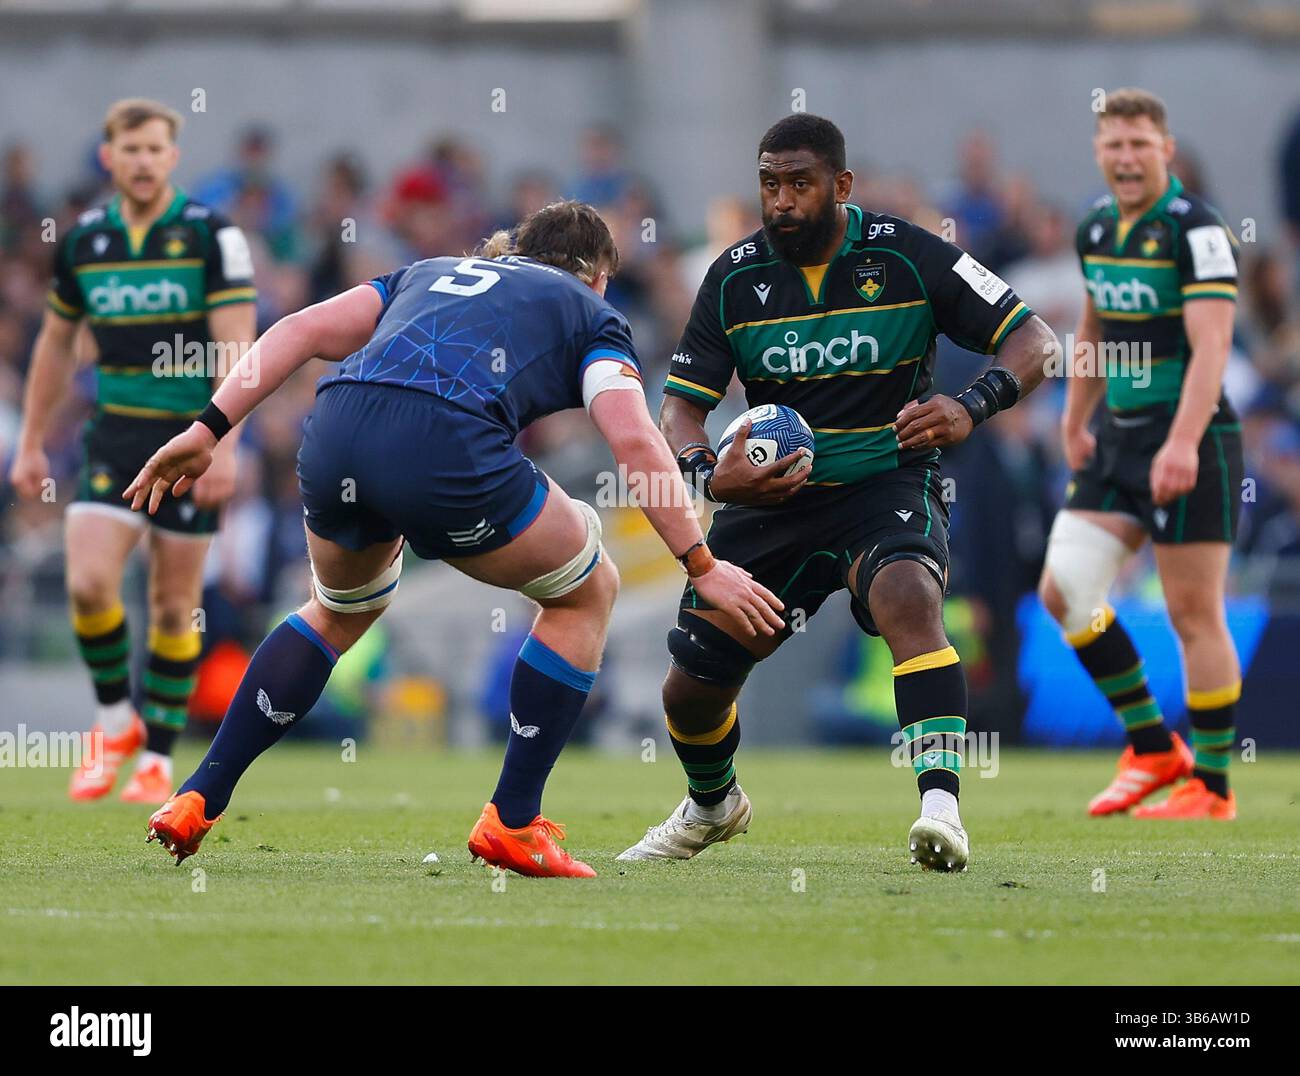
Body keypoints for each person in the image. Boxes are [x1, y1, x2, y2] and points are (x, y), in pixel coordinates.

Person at [124, 201, 783, 878]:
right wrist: (700, 563)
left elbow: (297, 332)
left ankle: (198, 794)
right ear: (597, 275)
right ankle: (514, 819)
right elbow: (634, 438)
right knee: (587, 589)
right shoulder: (589, 311)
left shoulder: (427, 273)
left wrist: (207, 429)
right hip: (444, 445)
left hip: (336, 433)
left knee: (339, 609)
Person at [618, 115, 1059, 872]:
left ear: (840, 185)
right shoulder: (733, 277)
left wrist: (971, 404)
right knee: (689, 691)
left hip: (884, 481)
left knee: (911, 598)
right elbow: (681, 407)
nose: (782, 201)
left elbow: (1036, 341)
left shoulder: (911, 254)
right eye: (769, 184)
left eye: (799, 183)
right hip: (769, 503)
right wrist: (705, 474)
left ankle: (941, 808)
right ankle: (712, 804)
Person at [7, 98, 256, 804]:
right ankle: (115, 720)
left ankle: (155, 757)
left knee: (174, 606)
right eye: (130, 150)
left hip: (190, 440)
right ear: (109, 158)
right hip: (113, 437)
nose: (143, 161)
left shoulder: (212, 235)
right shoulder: (85, 242)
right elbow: (56, 344)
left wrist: (227, 444)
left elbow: (238, 340)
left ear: (172, 158)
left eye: (155, 149)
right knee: (88, 584)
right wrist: (29, 443)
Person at [1038, 88, 1244, 820]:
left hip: (1192, 437)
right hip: (1117, 439)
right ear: (1099, 152)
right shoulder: (1097, 229)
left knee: (1194, 611)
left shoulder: (1197, 230)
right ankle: (1154, 746)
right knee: (1064, 590)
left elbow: (1213, 343)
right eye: (1114, 146)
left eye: (1140, 145)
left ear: (1166, 150)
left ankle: (1213, 786)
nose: (1127, 158)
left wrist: (1184, 442)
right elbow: (1092, 330)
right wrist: (1074, 419)